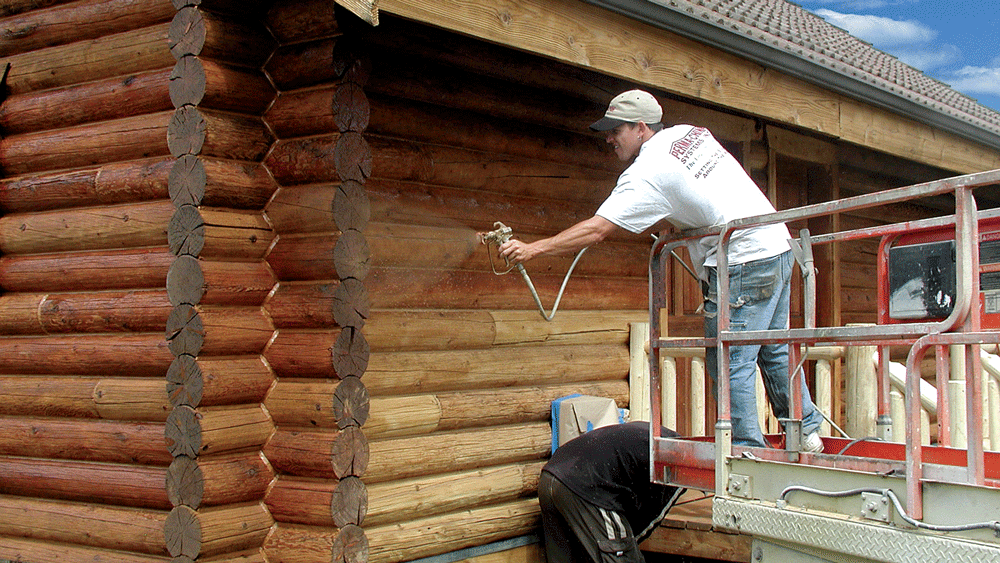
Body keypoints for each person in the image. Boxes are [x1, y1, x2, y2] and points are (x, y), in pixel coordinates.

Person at [498, 89, 824, 451]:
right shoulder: (689, 133)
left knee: (730, 361)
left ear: (641, 128)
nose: (608, 139)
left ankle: (745, 453)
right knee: (775, 350)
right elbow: (703, 189)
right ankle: (807, 434)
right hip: (777, 244)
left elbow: (598, 229)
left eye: (616, 131)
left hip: (742, 259)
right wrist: (680, 220)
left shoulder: (646, 172)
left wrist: (534, 248)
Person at [539, 421, 684, 563]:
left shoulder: (653, 437)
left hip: (551, 474)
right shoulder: (676, 462)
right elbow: (650, 516)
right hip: (586, 484)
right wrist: (626, 545)